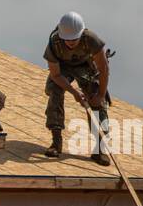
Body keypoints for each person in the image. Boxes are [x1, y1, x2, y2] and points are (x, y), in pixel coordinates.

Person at [43, 11, 111, 164]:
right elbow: (56, 75)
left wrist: (100, 95)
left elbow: (104, 70)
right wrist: (74, 93)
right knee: (55, 90)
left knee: (96, 98)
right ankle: (56, 141)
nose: (71, 43)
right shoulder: (54, 44)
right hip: (63, 68)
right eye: (67, 39)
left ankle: (99, 149)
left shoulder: (91, 40)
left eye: (75, 39)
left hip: (87, 66)